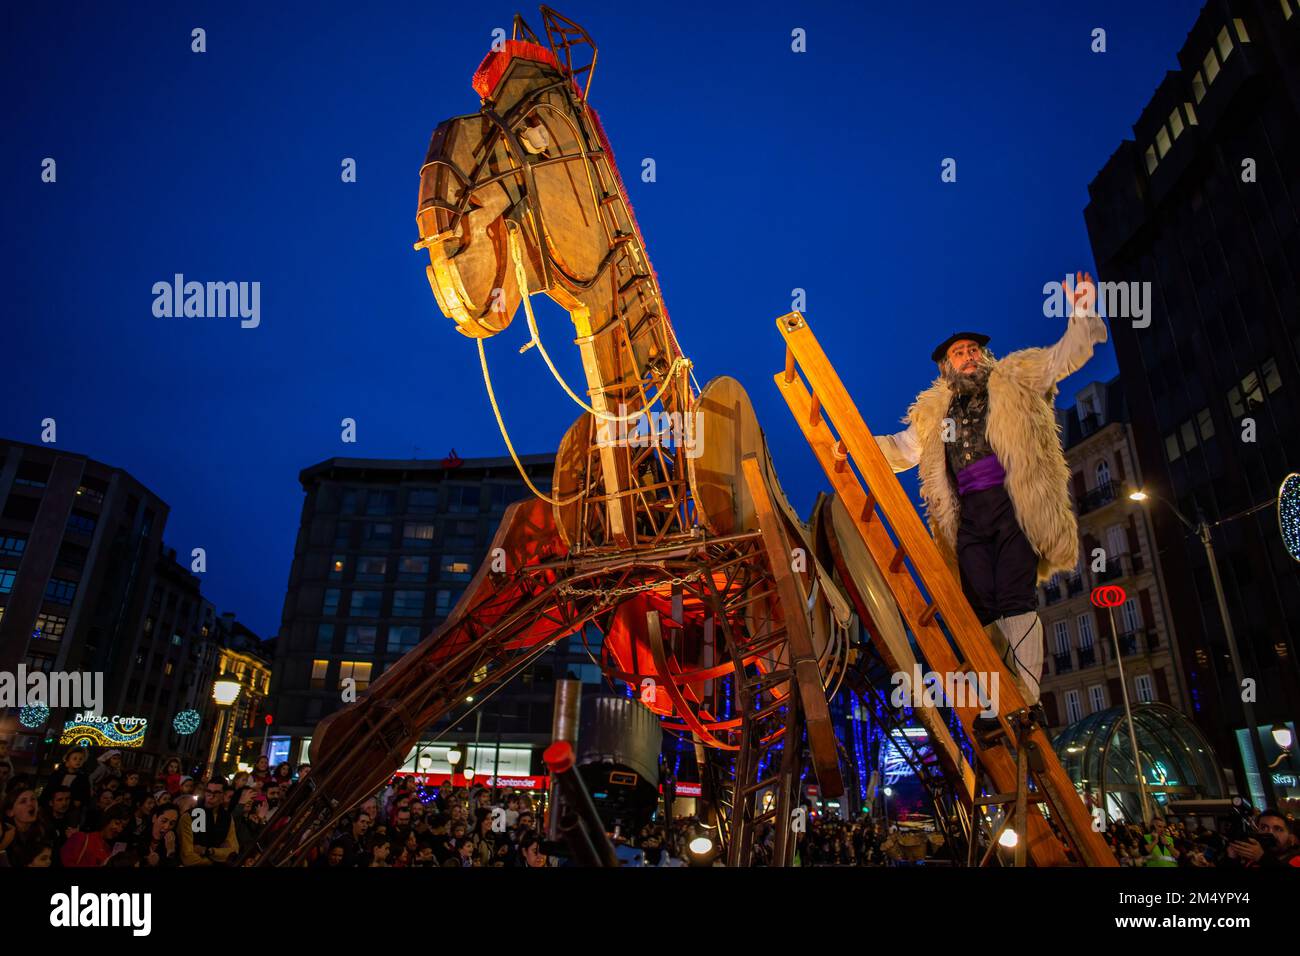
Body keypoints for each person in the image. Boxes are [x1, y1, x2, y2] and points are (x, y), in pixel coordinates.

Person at [875, 274, 1106, 712]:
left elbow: (1059, 359)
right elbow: (902, 449)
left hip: (1011, 504)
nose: (967, 356)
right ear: (945, 366)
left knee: (1016, 596)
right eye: (958, 353)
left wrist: (1080, 312)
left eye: (972, 350)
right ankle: (991, 698)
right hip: (968, 518)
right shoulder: (932, 412)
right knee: (979, 604)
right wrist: (852, 445)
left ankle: (1026, 696)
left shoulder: (1013, 379)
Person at [179, 775, 239, 866]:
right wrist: (217, 858)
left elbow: (233, 851)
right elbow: (188, 856)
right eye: (209, 792)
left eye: (217, 793)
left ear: (223, 795)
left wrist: (208, 851)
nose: (211, 796)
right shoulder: (190, 816)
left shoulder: (227, 817)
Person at [1223, 809, 1300, 868]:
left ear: (1290, 836)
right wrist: (1232, 858)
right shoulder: (1251, 858)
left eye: (1278, 829)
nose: (1270, 833)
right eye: (1264, 828)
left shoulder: (1297, 858)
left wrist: (1262, 857)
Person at [61, 805, 130, 867]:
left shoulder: (109, 851)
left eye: (123, 827)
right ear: (108, 819)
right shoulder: (81, 838)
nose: (119, 830)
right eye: (117, 823)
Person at [1, 785, 46, 867]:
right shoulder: (4, 833)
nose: (30, 803)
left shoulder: (44, 829)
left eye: (33, 799)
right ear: (10, 812)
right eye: (23, 801)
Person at [46, 747, 93, 819]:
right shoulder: (57, 774)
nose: (78, 761)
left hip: (72, 810)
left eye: (81, 759)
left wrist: (79, 801)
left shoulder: (83, 777)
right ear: (68, 760)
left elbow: (86, 793)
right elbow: (48, 789)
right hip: (53, 807)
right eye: (75, 758)